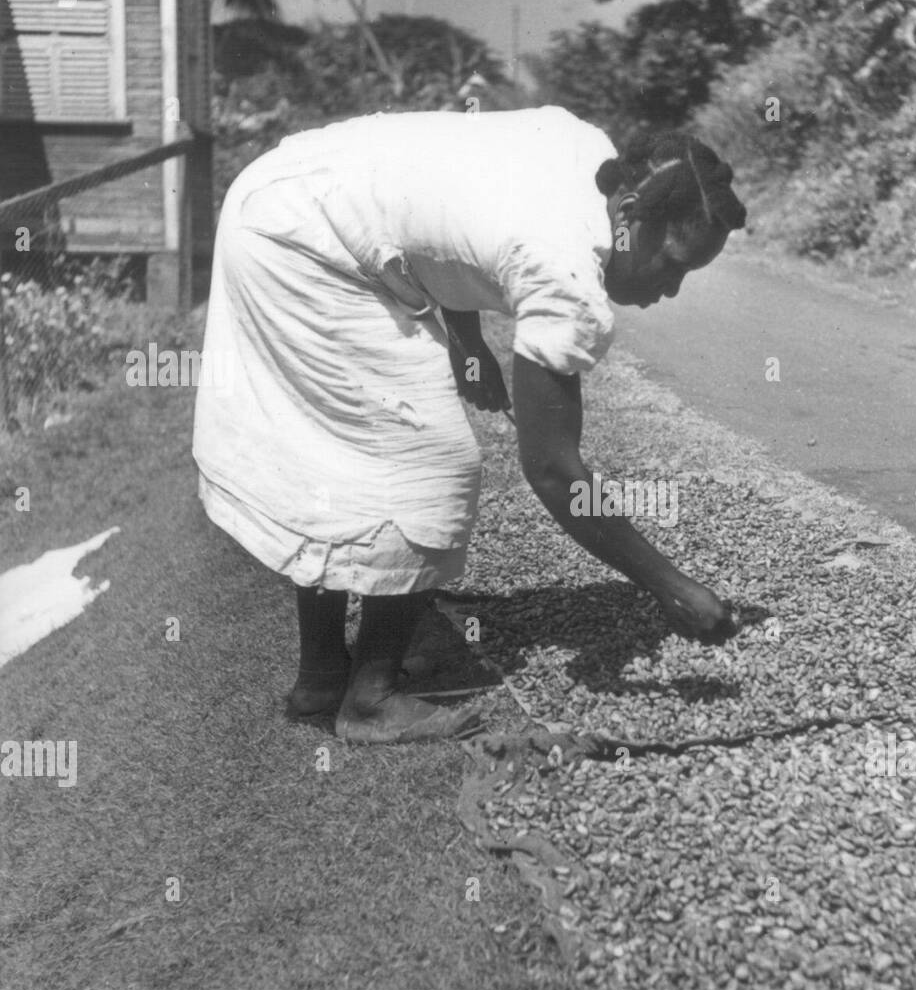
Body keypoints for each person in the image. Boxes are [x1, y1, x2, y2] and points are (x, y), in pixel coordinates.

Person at [192, 106, 747, 744]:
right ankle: (369, 699)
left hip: (285, 192)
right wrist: (671, 587)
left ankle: (322, 677)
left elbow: (444, 212)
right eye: (673, 263)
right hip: (302, 245)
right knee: (434, 463)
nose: (671, 289)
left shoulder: (591, 154)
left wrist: (469, 340)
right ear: (628, 220)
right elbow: (551, 467)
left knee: (342, 464)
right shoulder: (565, 270)